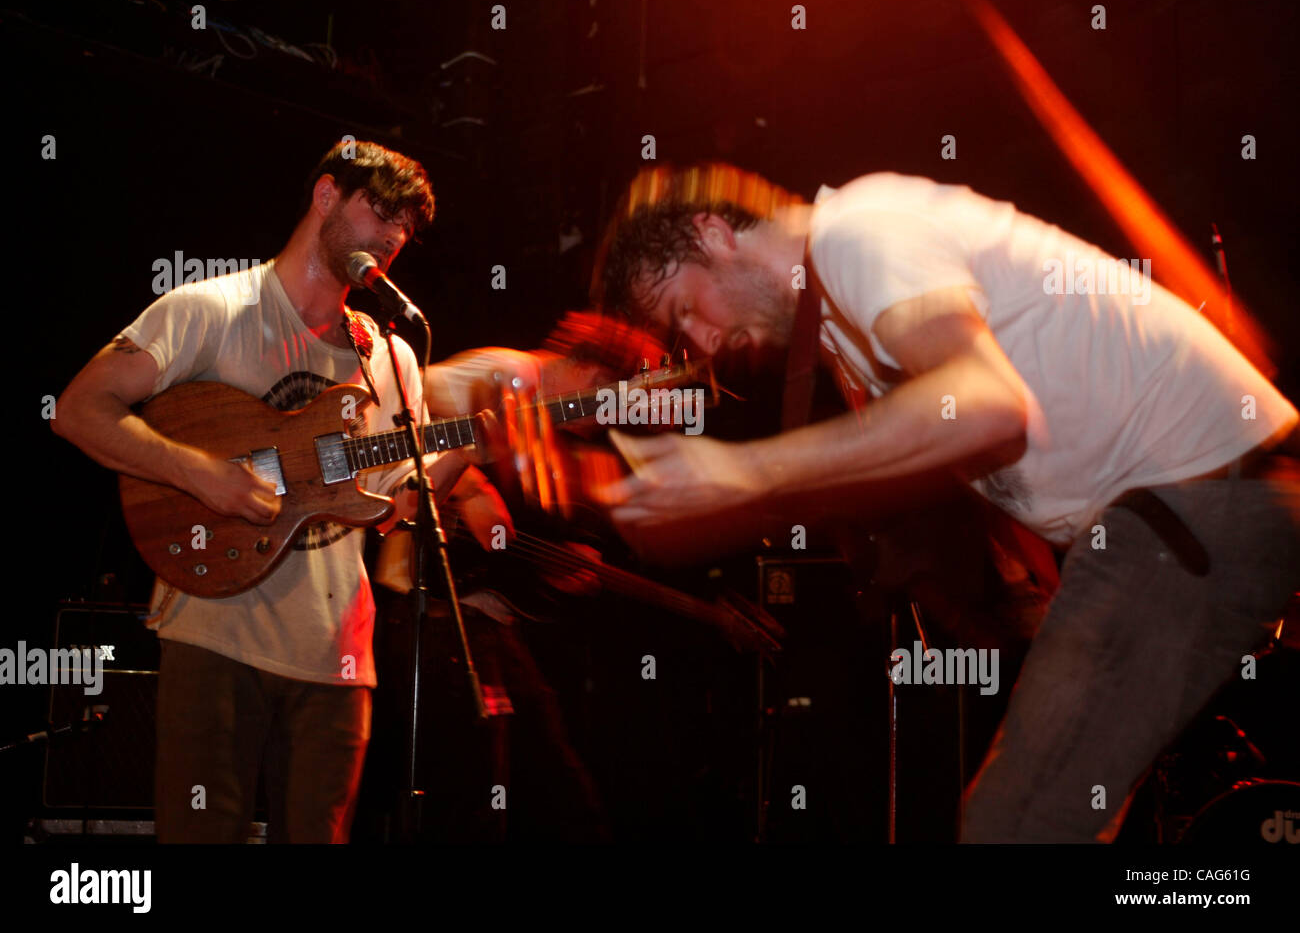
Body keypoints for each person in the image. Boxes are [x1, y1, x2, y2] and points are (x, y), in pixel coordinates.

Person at [588, 163, 1300, 842]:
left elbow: (988, 407)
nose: (706, 343)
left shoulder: (858, 233)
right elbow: (1001, 456)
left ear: (716, 234)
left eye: (688, 310)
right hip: (1188, 513)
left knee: (1015, 828)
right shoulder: (840, 322)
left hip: (1193, 504)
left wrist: (744, 474)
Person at [52, 139, 509, 843]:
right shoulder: (210, 309)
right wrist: (197, 471)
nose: (391, 236)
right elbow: (79, 409)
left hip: (337, 661)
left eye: (405, 229)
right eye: (379, 210)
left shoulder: (388, 355)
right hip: (214, 637)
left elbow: (400, 505)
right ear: (326, 195)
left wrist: (471, 447)